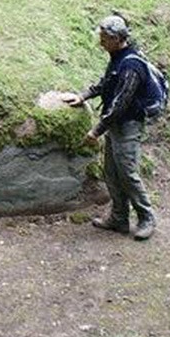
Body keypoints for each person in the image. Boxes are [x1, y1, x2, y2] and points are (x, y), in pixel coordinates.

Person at [61, 14, 157, 241]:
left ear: (116, 38)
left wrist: (96, 130)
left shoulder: (132, 64)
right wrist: (83, 95)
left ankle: (147, 217)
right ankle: (119, 218)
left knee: (128, 173)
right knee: (112, 173)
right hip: (115, 125)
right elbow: (108, 83)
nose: (100, 41)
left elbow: (121, 103)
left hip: (128, 126)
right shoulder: (117, 56)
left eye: (104, 37)